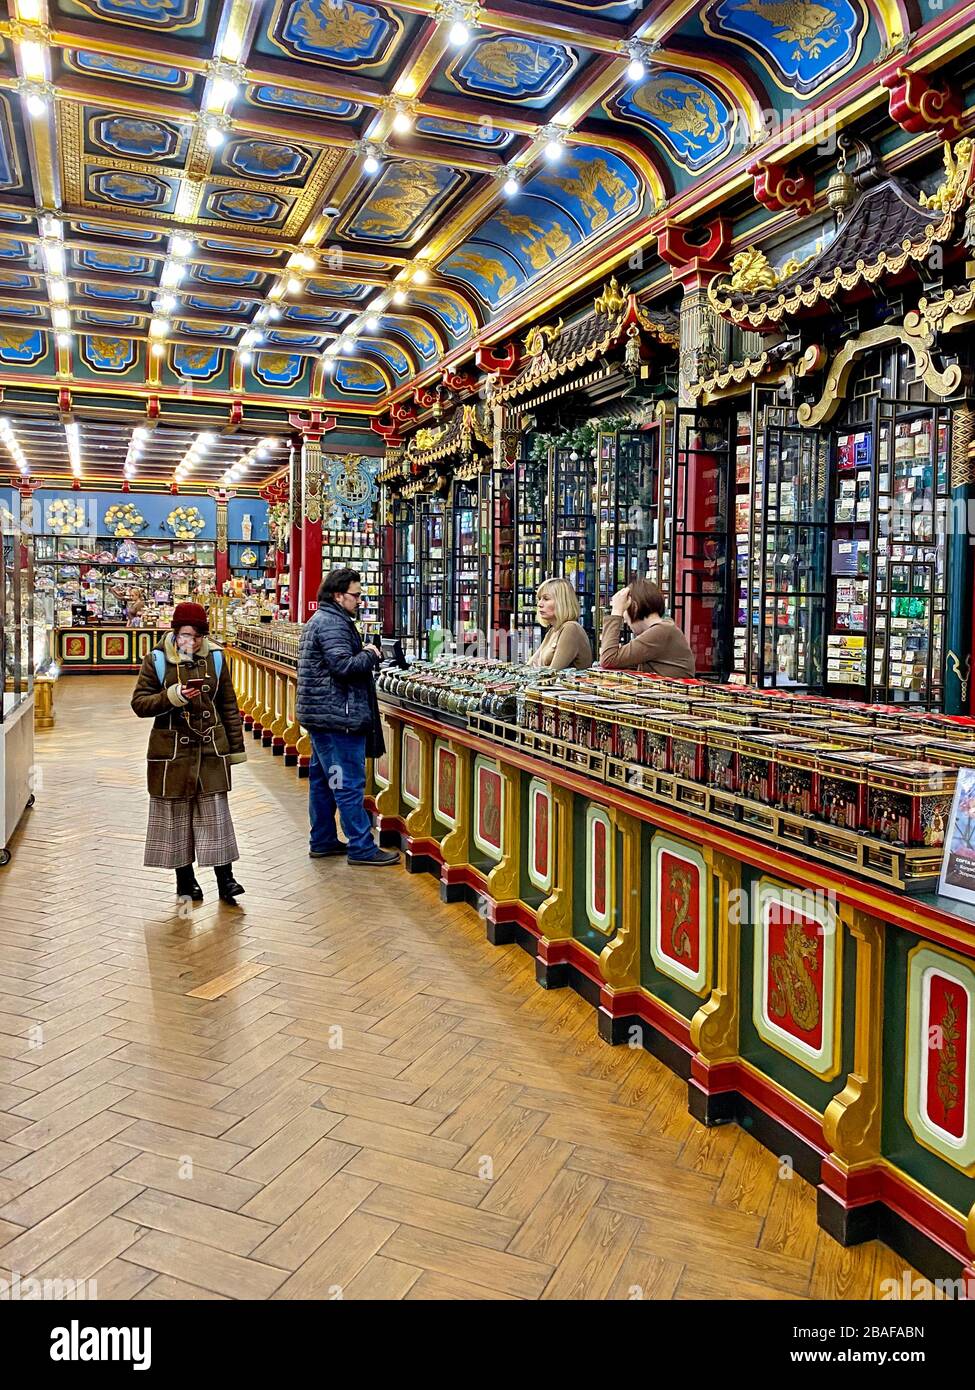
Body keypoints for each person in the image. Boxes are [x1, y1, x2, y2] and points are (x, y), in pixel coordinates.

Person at [131, 601, 247, 904]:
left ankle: (226, 879)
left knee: (216, 817)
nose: (191, 643)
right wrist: (173, 696)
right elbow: (140, 704)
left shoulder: (217, 659)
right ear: (174, 632)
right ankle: (186, 881)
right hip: (171, 753)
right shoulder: (156, 660)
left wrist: (235, 749)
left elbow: (229, 707)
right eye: (185, 635)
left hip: (210, 749)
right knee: (175, 818)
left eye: (197, 637)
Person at [296, 568, 399, 867]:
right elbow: (344, 666)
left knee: (323, 780)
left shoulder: (325, 620)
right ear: (338, 595)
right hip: (337, 717)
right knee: (347, 782)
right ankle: (361, 846)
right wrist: (370, 653)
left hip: (324, 715)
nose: (359, 601)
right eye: (355, 595)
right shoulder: (333, 624)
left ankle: (324, 838)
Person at [600, 579, 695, 677]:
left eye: (625, 610)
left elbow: (608, 659)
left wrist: (616, 610)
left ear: (635, 607)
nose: (624, 619)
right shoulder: (664, 628)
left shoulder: (661, 630)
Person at [527, 577, 593, 670]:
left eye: (546, 599)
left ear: (561, 602)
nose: (539, 604)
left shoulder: (571, 628)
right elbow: (530, 665)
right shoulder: (552, 631)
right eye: (539, 599)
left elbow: (552, 672)